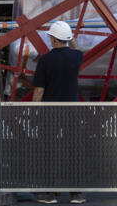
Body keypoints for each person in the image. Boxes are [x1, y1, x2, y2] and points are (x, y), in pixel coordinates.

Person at [32, 20, 85, 205]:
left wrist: (34, 111)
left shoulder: (45, 60)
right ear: (67, 38)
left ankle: (50, 193)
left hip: (50, 112)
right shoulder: (76, 57)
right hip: (72, 111)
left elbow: (39, 90)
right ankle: (76, 194)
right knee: (73, 150)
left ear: (53, 39)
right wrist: (71, 39)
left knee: (48, 151)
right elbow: (76, 47)